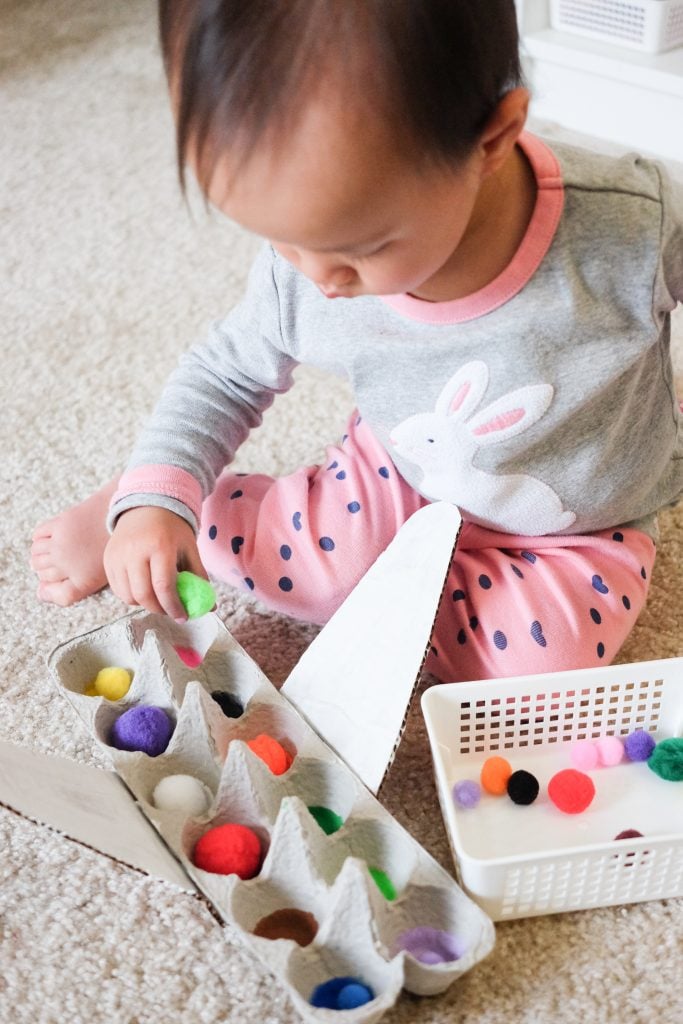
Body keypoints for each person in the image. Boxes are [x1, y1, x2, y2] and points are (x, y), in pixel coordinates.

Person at [30, 0, 683, 682]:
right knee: (313, 570)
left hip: (578, 525)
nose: (317, 279)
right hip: (399, 470)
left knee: (541, 666)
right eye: (281, 240)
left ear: (492, 139)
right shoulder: (302, 274)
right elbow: (224, 375)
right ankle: (153, 503)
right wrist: (158, 499)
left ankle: (402, 588)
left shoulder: (631, 228)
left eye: (360, 247)